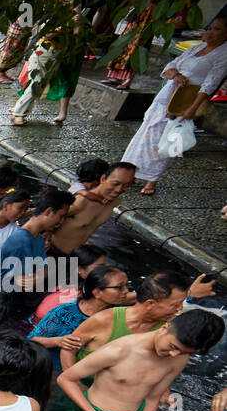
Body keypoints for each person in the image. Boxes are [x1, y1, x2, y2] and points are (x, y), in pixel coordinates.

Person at [58, 309, 225, 411]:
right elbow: (65, 378)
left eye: (183, 352)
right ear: (165, 327)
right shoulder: (120, 350)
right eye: (173, 346)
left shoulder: (179, 359)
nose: (174, 354)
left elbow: (153, 396)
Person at [121, 15, 227, 196]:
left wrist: (192, 108)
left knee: (167, 140)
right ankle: (130, 172)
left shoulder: (223, 54)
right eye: (210, 28)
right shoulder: (198, 47)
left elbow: (210, 83)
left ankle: (152, 179)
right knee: (146, 134)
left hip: (186, 100)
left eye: (217, 29)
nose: (210, 33)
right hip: (168, 94)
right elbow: (170, 66)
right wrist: (176, 74)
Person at [62, 270, 210, 367]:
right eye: (175, 305)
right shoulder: (104, 320)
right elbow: (68, 349)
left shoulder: (168, 329)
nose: (179, 309)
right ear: (150, 304)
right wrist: (75, 385)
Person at [29, 265, 130, 372]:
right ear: (97, 293)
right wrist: (58, 341)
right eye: (119, 287)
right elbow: (32, 340)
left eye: (126, 286)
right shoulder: (64, 313)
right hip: (53, 369)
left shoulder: (118, 313)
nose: (126, 291)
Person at [0, 188, 73, 307]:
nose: (61, 222)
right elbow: (27, 281)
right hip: (0, 301)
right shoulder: (21, 241)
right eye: (61, 216)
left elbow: (45, 269)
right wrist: (41, 275)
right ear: (49, 211)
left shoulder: (38, 239)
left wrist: (41, 275)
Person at [47, 161, 136, 254]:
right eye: (115, 183)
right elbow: (45, 218)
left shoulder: (115, 201)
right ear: (102, 179)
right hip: (52, 252)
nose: (119, 190)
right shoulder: (82, 201)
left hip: (75, 255)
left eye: (126, 186)